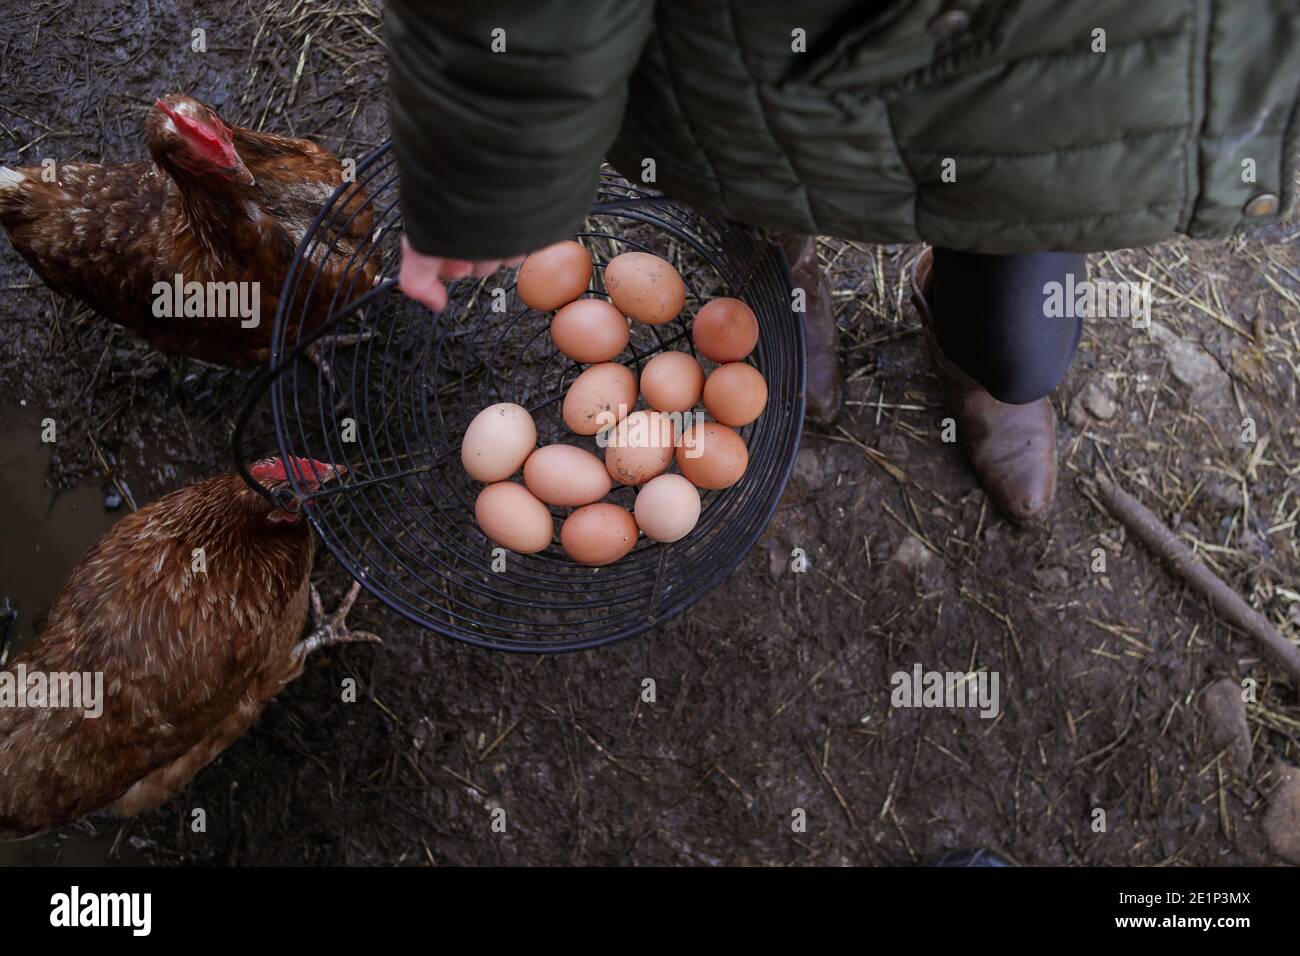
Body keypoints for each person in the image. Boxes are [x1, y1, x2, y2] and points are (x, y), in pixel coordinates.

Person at [386, 1, 1300, 525]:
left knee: (1019, 350)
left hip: (1065, 124)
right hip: (753, 74)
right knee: (758, 206)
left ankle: (962, 329)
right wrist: (490, 164)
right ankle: (784, 279)